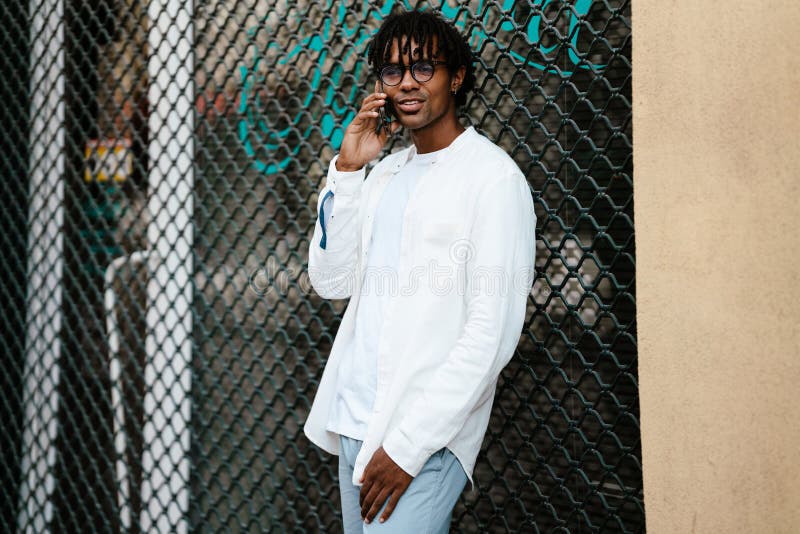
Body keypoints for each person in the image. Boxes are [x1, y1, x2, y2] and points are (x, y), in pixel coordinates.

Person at [304, 9, 536, 533]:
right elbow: (331, 281)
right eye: (392, 71)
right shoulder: (383, 173)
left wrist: (407, 446)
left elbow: (490, 334)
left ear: (456, 77)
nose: (406, 82)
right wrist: (347, 171)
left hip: (420, 440)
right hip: (354, 425)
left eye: (423, 67)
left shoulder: (492, 179)